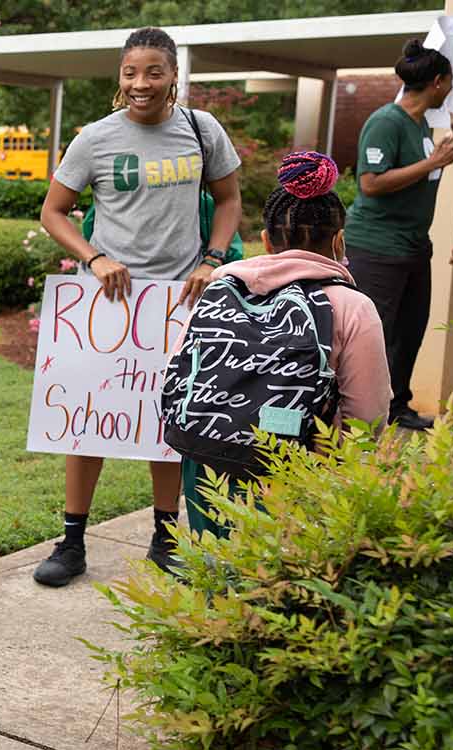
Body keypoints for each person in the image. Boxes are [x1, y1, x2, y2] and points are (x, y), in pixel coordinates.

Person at [34, 26, 242, 586]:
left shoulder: (201, 131)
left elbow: (229, 198)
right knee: (87, 423)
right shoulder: (94, 139)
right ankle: (72, 540)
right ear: (119, 77)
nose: (141, 83)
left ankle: (164, 535)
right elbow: (54, 212)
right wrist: (95, 255)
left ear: (173, 75)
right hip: (105, 304)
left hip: (179, 301)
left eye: (153, 71)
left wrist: (213, 258)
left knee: (167, 423)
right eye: (130, 72)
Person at [174, 152, 391, 538]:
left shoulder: (220, 289)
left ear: (265, 241)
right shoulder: (353, 306)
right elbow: (367, 417)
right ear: (340, 241)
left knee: (215, 579)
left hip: (207, 465)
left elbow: (180, 368)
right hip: (297, 470)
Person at [343, 39, 453, 431]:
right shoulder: (387, 121)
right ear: (436, 82)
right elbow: (371, 183)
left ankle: (397, 405)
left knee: (411, 328)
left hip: (414, 246)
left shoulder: (420, 126)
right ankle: (359, 415)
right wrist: (434, 160)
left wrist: (452, 146)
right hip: (377, 246)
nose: (451, 89)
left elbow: (424, 174)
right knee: (376, 331)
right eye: (450, 82)